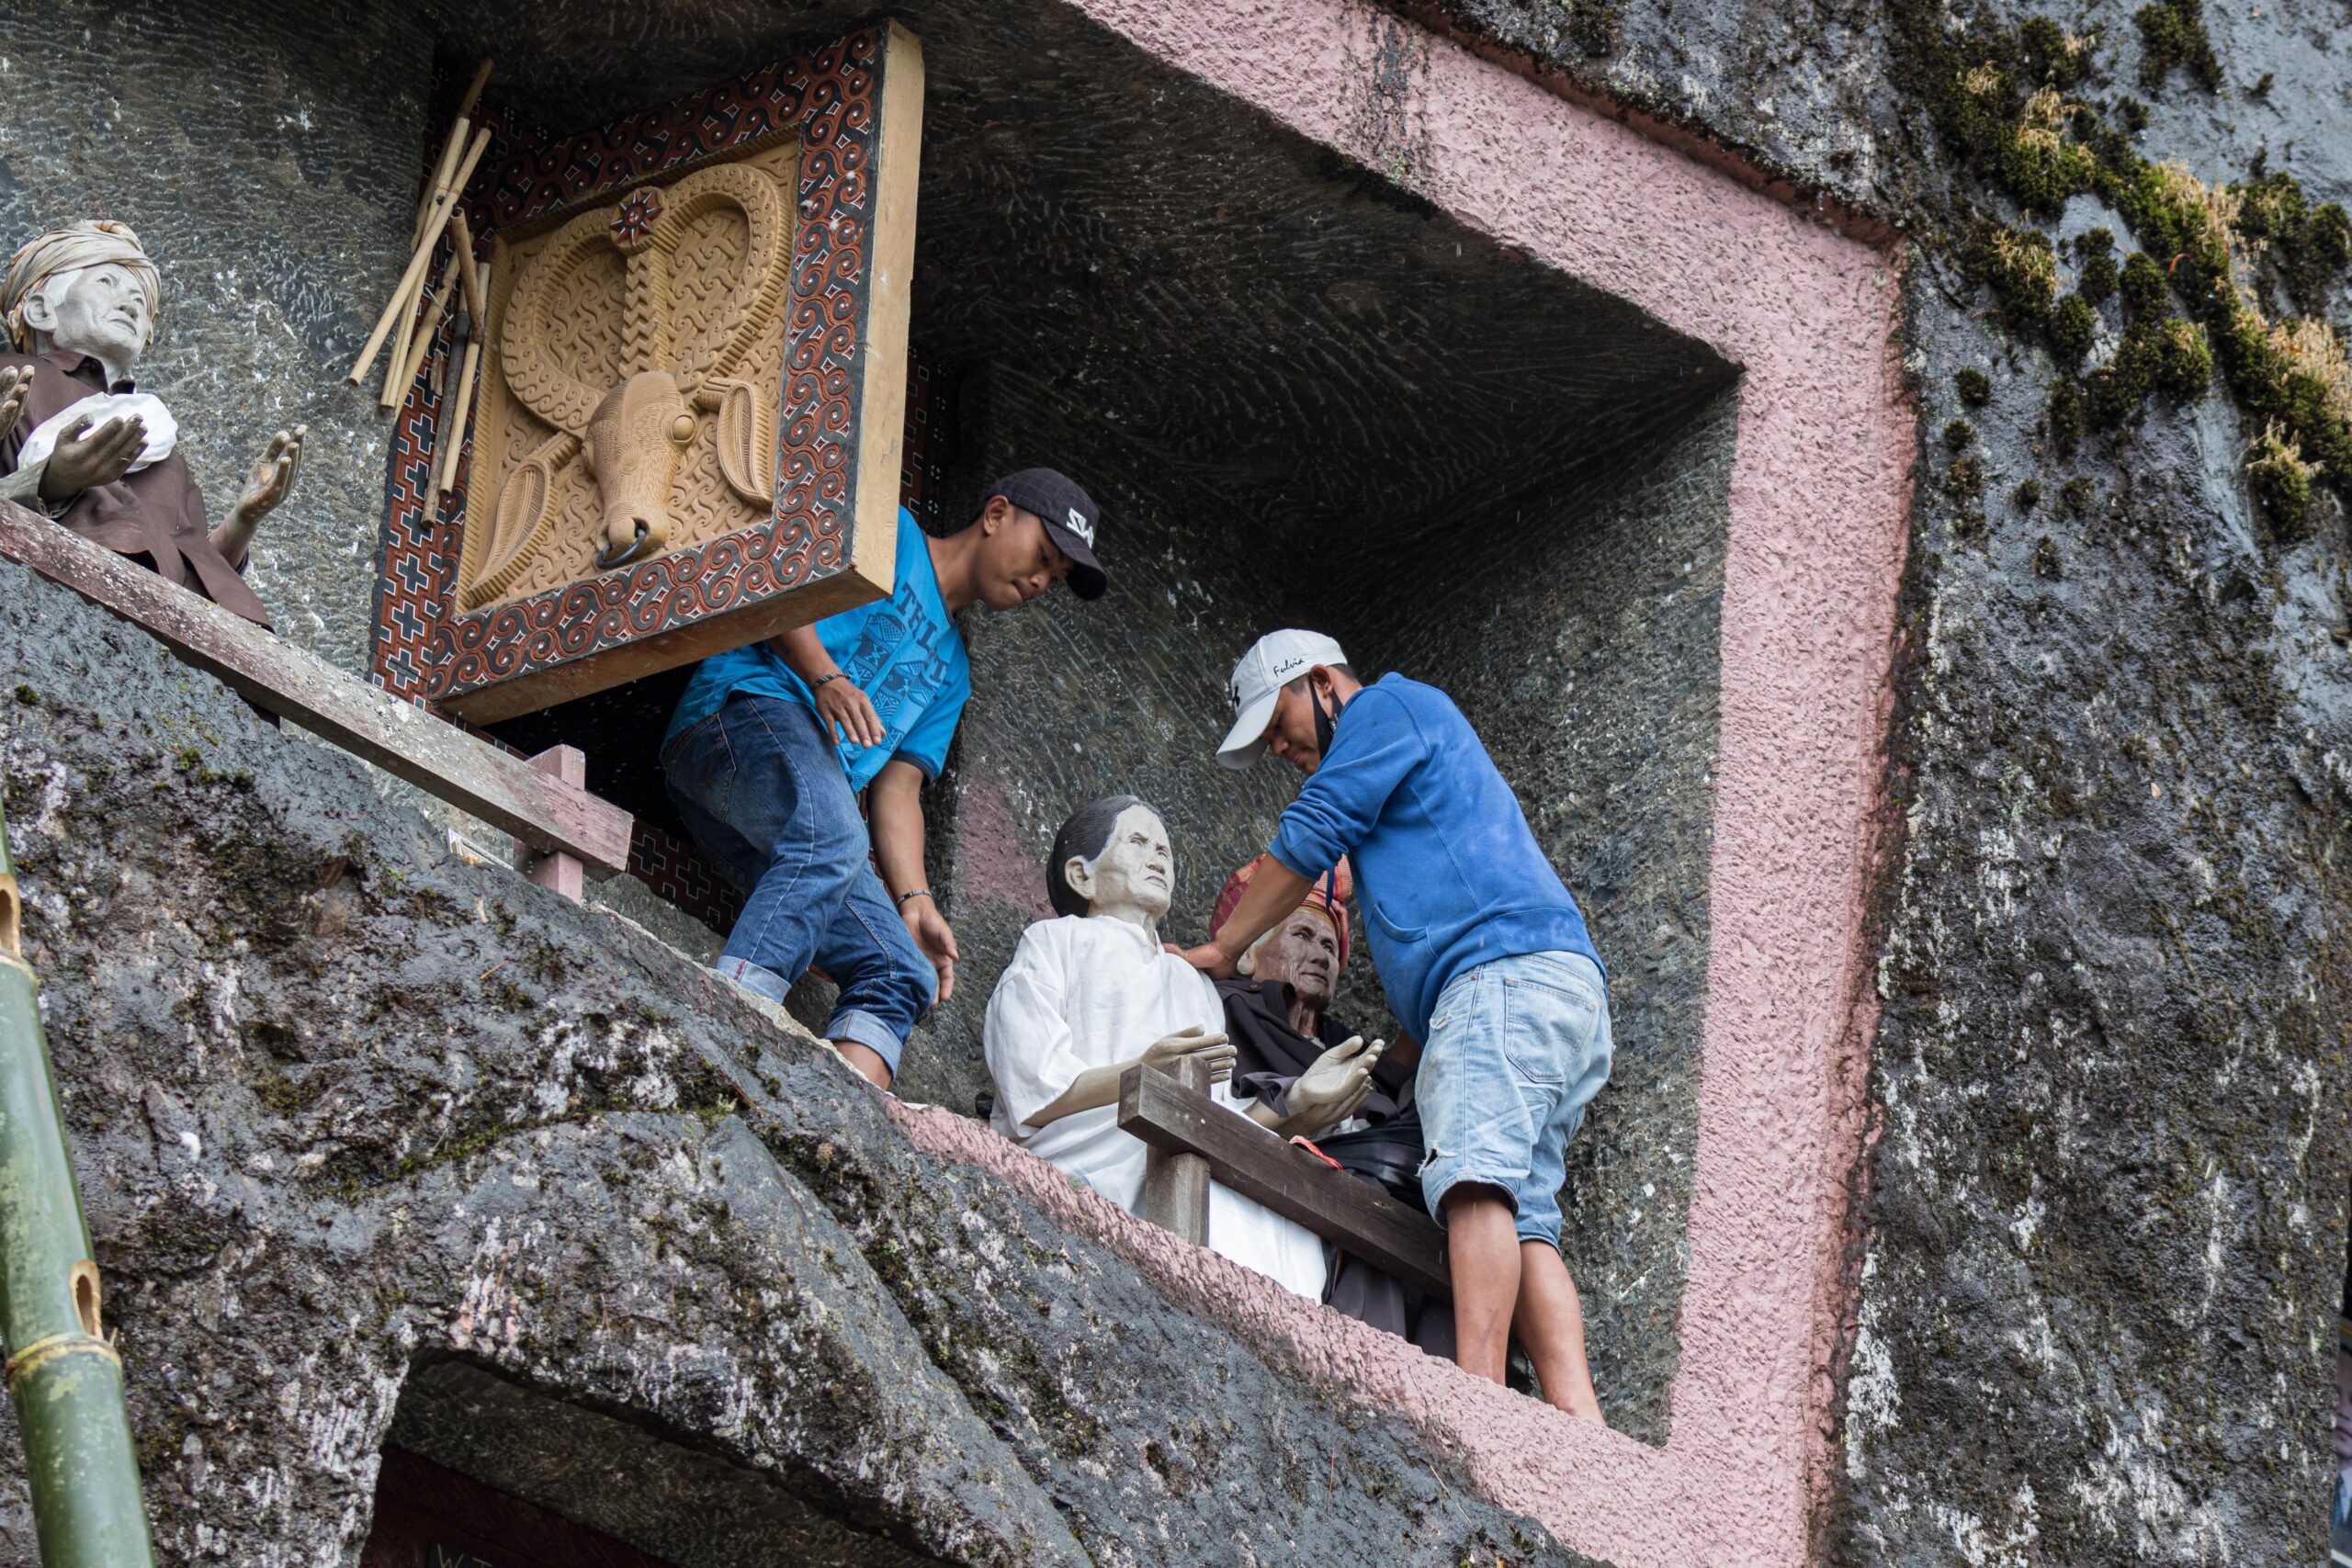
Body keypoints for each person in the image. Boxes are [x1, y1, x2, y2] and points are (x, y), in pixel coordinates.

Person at [1178, 629, 1613, 1422]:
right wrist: (1390, 1074)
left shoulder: (1387, 707)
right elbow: (1435, 996)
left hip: (1502, 976)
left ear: (1319, 682)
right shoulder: (1412, 751)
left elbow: (1310, 835)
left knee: (1473, 1178)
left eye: (1278, 723)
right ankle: (1582, 1428)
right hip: (1549, 988)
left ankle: (1475, 1409)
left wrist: (1224, 946)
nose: (1279, 746)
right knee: (1526, 1212)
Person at [662, 469, 1107, 1089]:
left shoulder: (952, 674)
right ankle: (721, 1035)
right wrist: (823, 675)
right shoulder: (888, 529)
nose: (1039, 581)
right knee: (834, 838)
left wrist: (915, 900)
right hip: (737, 718)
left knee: (902, 972)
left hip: (795, 824)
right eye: (1042, 556)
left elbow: (899, 790)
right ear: (996, 513)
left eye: (1053, 578)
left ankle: (832, 1125)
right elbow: (779, 572)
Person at [982, 796, 1380, 1297]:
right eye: (1138, 842)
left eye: (1165, 849)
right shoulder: (1053, 942)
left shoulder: (1192, 984)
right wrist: (1140, 1074)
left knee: (1278, 1216)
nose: (1158, 858)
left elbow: (1213, 1119)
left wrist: (1296, 1104)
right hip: (1093, 1147)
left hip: (1177, 1142)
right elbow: (1031, 1082)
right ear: (1082, 876)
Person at [0, 220, 304, 627]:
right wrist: (53, 479)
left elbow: (186, 561)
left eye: (140, 301)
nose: (129, 305)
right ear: (41, 310)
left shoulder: (156, 433)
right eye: (106, 282)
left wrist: (242, 521)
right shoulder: (12, 378)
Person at [1208, 854, 1453, 1358]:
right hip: (1290, 1178)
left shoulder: (1340, 1040)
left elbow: (1390, 1073)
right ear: (1250, 956)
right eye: (1300, 936)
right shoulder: (1226, 1006)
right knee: (1370, 1200)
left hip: (1381, 1178)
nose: (1321, 954)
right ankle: (1367, 1361)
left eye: (1329, 945)